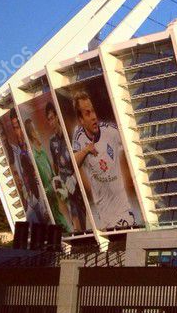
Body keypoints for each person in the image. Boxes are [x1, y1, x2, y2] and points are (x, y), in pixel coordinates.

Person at [70, 88, 141, 230]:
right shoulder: (78, 137)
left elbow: (133, 138)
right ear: (81, 120)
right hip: (102, 214)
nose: (93, 117)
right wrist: (86, 150)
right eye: (87, 113)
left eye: (93, 111)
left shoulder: (110, 131)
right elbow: (73, 163)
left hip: (122, 209)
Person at [25, 118, 71, 233]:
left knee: (64, 222)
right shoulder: (34, 156)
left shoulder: (43, 152)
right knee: (61, 225)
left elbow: (52, 174)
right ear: (32, 134)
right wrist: (51, 189)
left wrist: (59, 185)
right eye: (35, 130)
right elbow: (40, 182)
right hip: (49, 202)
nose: (38, 132)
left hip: (56, 197)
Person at [46, 101, 86, 233]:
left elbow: (84, 161)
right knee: (74, 225)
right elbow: (56, 165)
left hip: (78, 187)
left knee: (81, 222)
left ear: (58, 117)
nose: (51, 123)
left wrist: (74, 178)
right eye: (48, 120)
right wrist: (55, 179)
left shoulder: (71, 136)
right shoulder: (53, 142)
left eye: (52, 118)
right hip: (66, 191)